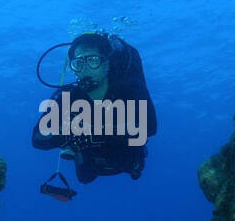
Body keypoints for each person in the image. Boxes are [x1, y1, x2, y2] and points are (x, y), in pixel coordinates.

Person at [32, 33, 157, 183]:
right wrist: (62, 134)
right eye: (79, 63)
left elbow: (150, 127)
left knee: (133, 164)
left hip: (126, 159)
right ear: (73, 68)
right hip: (91, 164)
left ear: (106, 64)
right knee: (84, 178)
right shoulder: (67, 96)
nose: (86, 69)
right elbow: (37, 139)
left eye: (92, 60)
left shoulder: (128, 89)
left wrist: (89, 129)